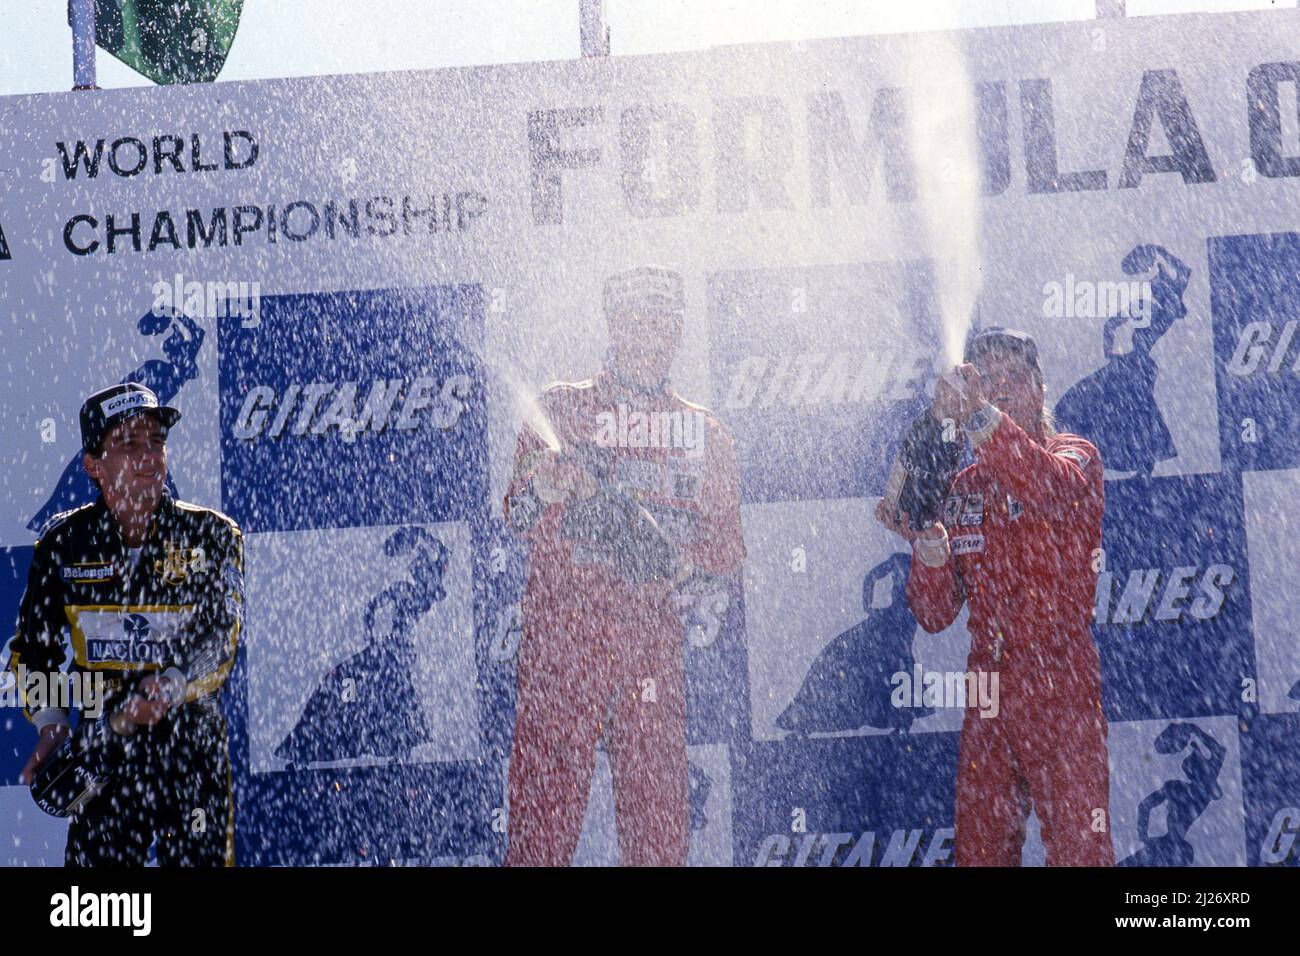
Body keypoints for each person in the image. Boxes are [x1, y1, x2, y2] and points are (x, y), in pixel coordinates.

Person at [502, 266, 746, 866]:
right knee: (540, 826)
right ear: (613, 326)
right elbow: (516, 512)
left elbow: (726, 556)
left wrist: (679, 564)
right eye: (637, 322)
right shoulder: (562, 408)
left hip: (651, 649)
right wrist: (553, 491)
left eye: (663, 324)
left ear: (679, 334)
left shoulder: (704, 433)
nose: (650, 336)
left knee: (658, 829)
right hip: (563, 645)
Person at [876, 327, 1115, 867]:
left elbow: (1044, 484)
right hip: (987, 679)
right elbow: (935, 615)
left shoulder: (1075, 456)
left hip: (1060, 676)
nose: (1000, 388)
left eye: (1013, 377)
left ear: (1040, 390)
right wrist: (931, 550)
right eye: (988, 380)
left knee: (1081, 849)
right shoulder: (961, 487)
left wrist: (980, 413)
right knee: (982, 850)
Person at [7, 382, 244, 866]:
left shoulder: (213, 536)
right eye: (129, 444)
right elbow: (32, 652)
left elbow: (223, 636)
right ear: (93, 466)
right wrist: (52, 726)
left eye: (156, 442)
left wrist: (171, 686)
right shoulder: (62, 545)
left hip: (190, 753)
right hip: (104, 757)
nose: (148, 457)